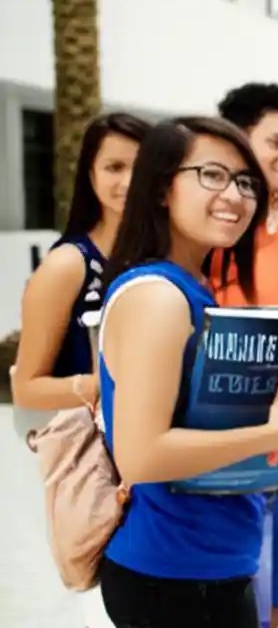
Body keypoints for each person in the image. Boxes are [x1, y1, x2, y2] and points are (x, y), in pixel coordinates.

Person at [96, 117, 278, 627]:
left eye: (245, 182)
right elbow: (142, 455)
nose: (235, 196)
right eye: (212, 175)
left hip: (204, 571)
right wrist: (275, 431)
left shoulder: (188, 286)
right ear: (160, 190)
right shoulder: (159, 297)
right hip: (176, 580)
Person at [4, 112, 148, 628]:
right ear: (88, 174)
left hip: (151, 460)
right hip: (94, 461)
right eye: (113, 166)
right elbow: (25, 386)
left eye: (140, 166)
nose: (127, 181)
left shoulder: (157, 258)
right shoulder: (69, 264)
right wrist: (98, 385)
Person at [212, 82, 278, 628]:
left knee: (276, 599)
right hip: (225, 447)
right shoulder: (216, 229)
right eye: (276, 142)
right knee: (238, 600)